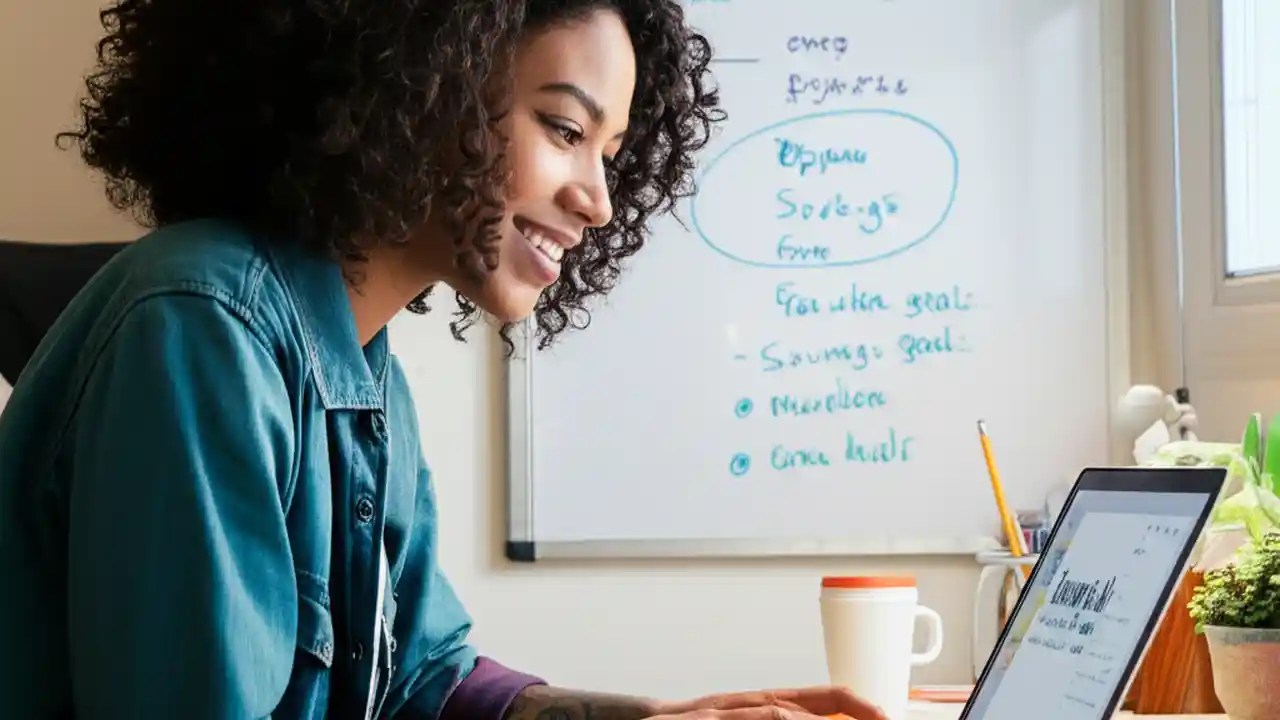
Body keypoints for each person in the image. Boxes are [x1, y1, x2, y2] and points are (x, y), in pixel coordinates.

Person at [0, 2, 888, 719]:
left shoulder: (365, 371)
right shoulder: (201, 326)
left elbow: (427, 676)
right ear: (426, 84)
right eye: (564, 128)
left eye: (612, 155)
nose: (600, 201)